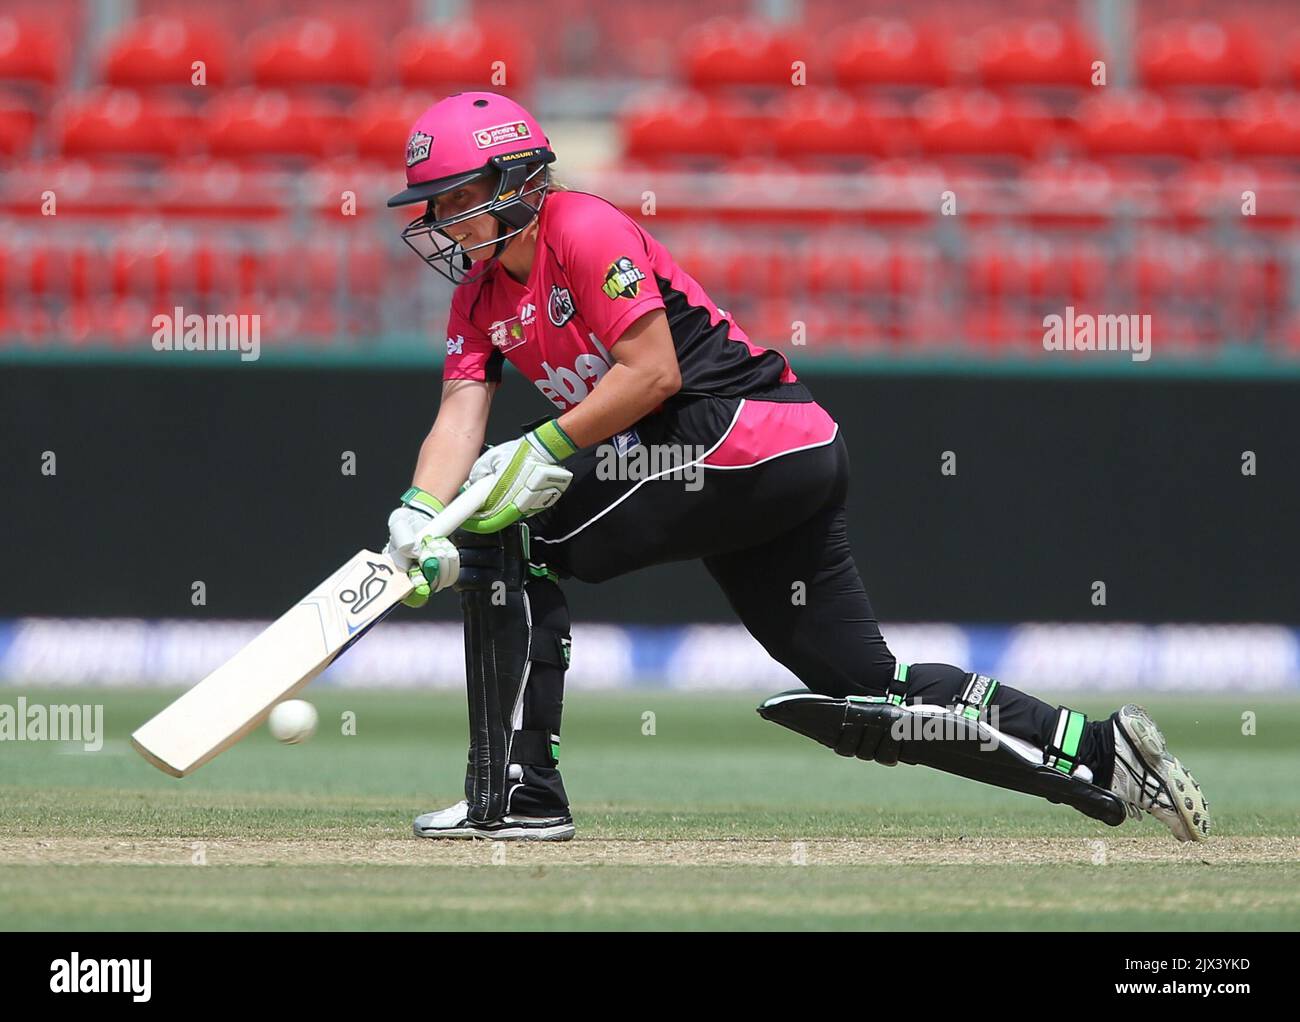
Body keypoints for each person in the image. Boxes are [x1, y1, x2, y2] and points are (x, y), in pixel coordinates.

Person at [382, 92, 1210, 843]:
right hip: (772, 462)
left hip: (739, 435)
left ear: (517, 177)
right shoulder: (479, 296)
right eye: (435, 207)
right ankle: (1103, 752)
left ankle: (521, 795)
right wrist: (422, 514)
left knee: (511, 536)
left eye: (455, 199)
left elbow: (653, 375)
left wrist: (542, 450)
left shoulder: (581, 229)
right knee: (868, 686)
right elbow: (460, 412)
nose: (445, 223)